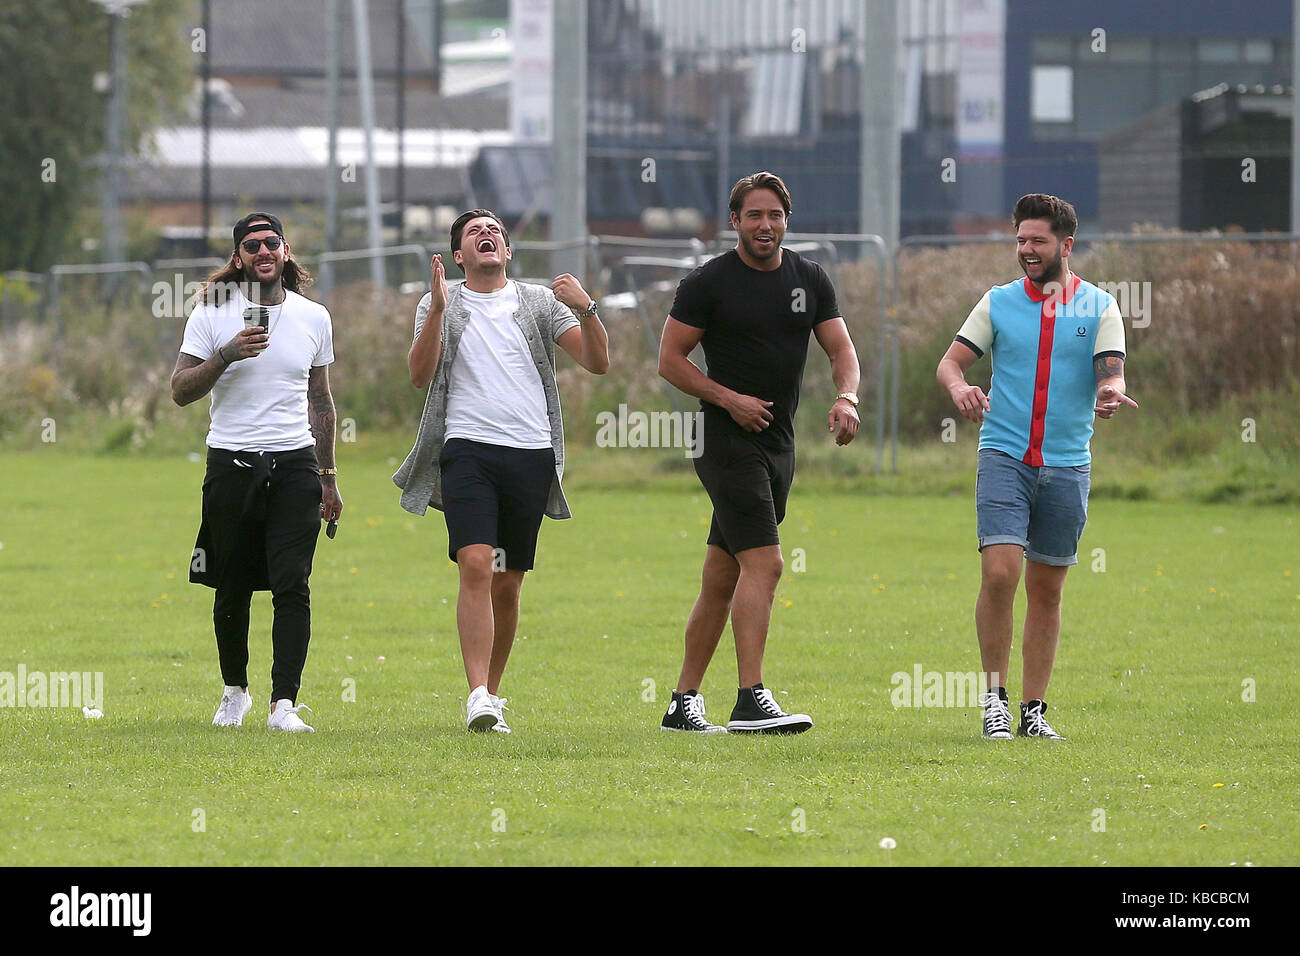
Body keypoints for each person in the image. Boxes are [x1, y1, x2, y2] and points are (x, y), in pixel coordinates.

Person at [657, 171, 861, 734]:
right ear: (735, 222)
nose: (765, 225)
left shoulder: (810, 279)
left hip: (778, 443)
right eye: (754, 215)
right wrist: (730, 400)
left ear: (786, 220)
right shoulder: (708, 283)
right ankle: (750, 696)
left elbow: (841, 347)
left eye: (774, 215)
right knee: (766, 564)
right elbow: (670, 360)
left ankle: (682, 701)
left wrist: (847, 397)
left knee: (723, 579)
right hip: (723, 441)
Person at [394, 209, 609, 733]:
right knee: (475, 563)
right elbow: (419, 375)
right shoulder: (437, 302)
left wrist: (588, 310)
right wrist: (440, 310)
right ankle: (476, 697)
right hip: (466, 450)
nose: (487, 235)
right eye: (474, 233)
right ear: (459, 256)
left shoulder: (538, 301)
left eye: (495, 232)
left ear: (508, 252)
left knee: (508, 584)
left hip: (530, 453)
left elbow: (599, 363)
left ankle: (493, 693)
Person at [935, 193, 1137, 741]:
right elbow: (951, 363)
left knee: (1047, 591)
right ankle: (995, 701)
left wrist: (1112, 392)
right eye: (1020, 239)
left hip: (1067, 466)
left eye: (1037, 241)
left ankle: (1033, 711)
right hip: (1003, 456)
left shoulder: (1100, 306)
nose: (1025, 249)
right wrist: (960, 388)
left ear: (1065, 245)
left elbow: (1112, 370)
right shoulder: (998, 302)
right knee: (1000, 573)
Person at [172, 212, 342, 734]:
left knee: (294, 583)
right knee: (233, 583)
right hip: (232, 461)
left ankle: (283, 705)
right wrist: (226, 354)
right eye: (252, 245)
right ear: (238, 258)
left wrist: (328, 476)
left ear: (286, 252)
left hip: (294, 464)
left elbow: (321, 401)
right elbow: (180, 390)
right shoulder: (211, 315)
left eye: (272, 242)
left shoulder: (314, 317)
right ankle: (235, 693)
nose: (263, 251)